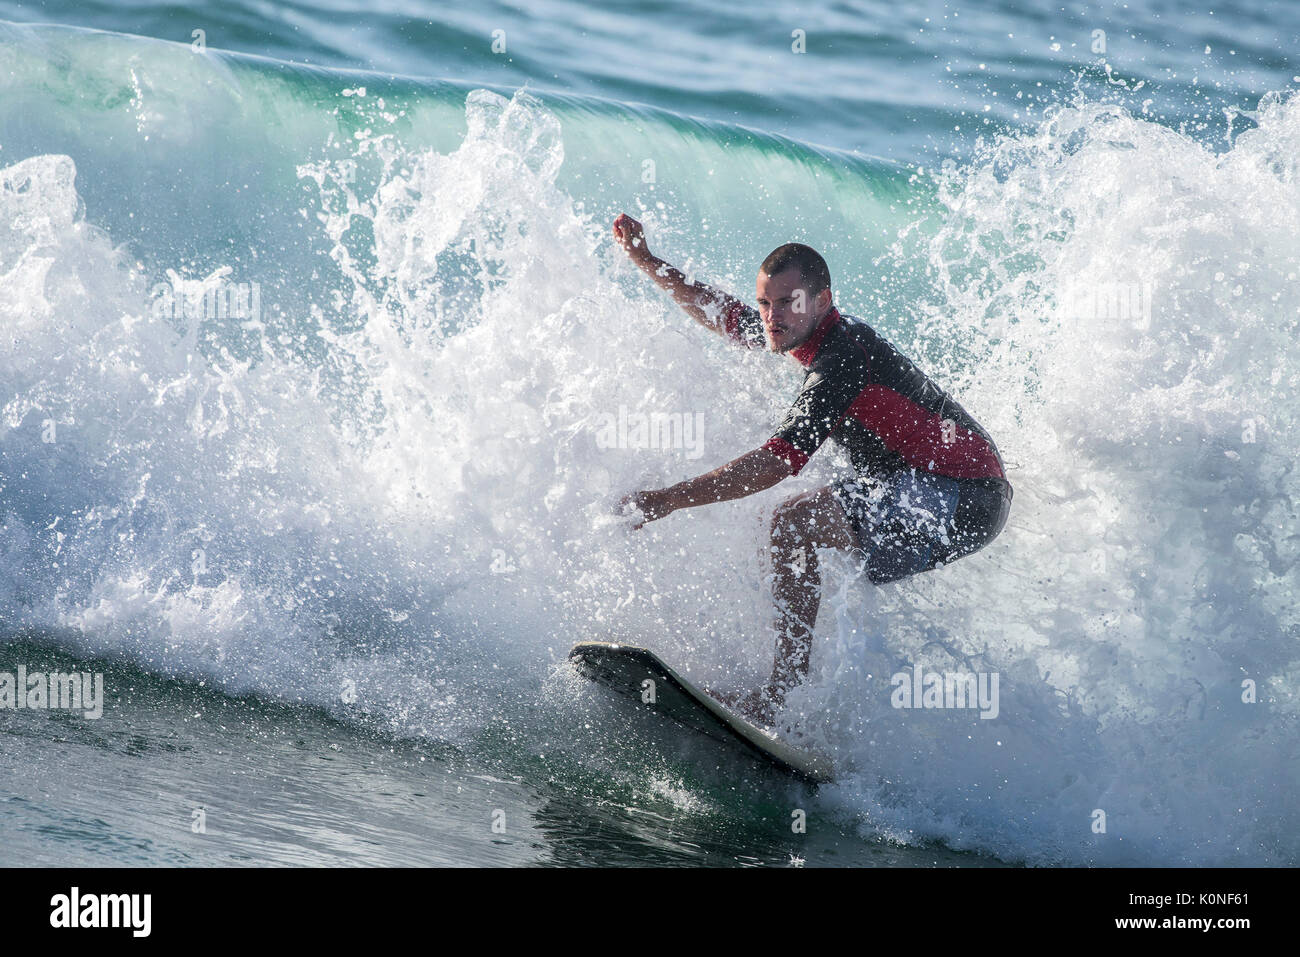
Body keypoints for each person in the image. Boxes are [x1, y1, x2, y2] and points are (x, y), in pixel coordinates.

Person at [612, 213, 1012, 724]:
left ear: (821, 301)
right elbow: (723, 314)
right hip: (929, 488)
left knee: (793, 522)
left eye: (785, 303)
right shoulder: (800, 331)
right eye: (765, 303)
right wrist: (646, 260)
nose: (770, 316)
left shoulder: (841, 358)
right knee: (804, 528)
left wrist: (666, 500)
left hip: (964, 496)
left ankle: (781, 699)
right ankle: (826, 708)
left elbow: (773, 464)